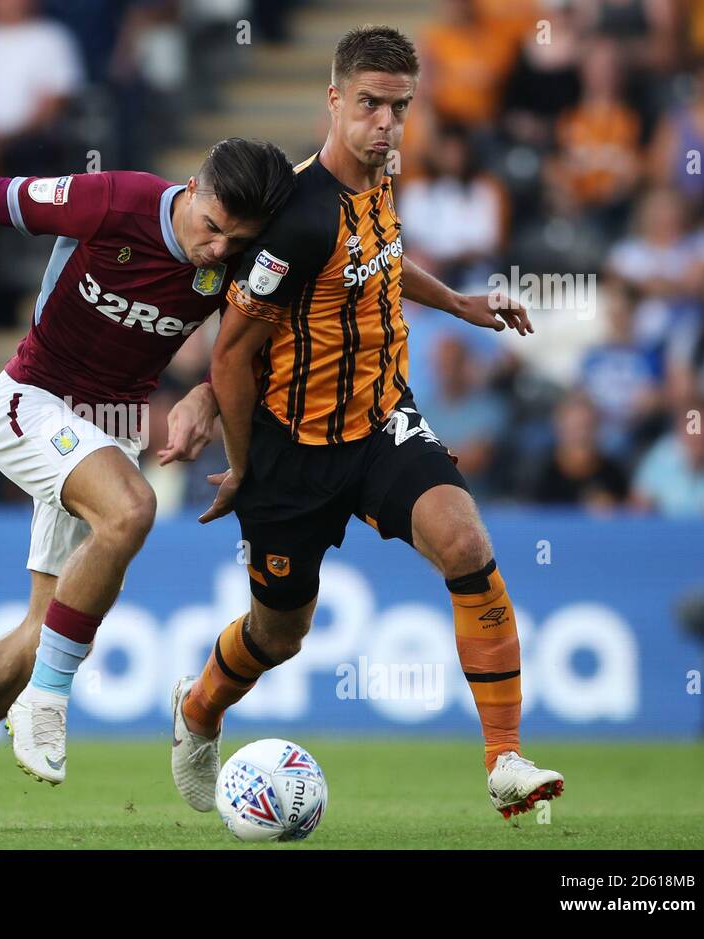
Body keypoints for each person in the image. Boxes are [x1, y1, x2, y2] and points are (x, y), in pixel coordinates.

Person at [0, 138, 295, 829]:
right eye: (211, 226)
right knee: (131, 510)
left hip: (109, 431)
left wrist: (201, 396)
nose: (216, 249)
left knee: (41, 627)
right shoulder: (113, 200)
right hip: (31, 401)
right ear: (191, 186)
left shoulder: (242, 263)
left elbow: (249, 348)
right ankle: (47, 698)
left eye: (235, 240)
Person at [170, 26, 564, 822]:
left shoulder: (385, 177)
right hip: (292, 447)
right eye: (371, 106)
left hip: (383, 418)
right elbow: (231, 353)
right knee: (280, 634)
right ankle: (199, 709)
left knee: (466, 542)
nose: (387, 124)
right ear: (334, 101)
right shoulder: (296, 217)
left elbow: (381, 259)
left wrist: (458, 302)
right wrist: (243, 464)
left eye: (401, 107)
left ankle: (505, 760)